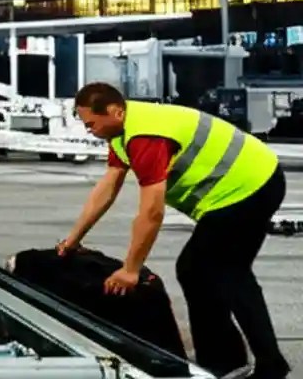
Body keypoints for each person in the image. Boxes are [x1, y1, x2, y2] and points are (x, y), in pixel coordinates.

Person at [60, 82, 288, 379]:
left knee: (217, 271)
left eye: (91, 123)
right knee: (206, 272)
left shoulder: (146, 137)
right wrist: (73, 239)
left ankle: (252, 364)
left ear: (115, 111)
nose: (89, 130)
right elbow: (108, 187)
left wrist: (131, 269)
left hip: (248, 188)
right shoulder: (123, 132)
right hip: (246, 184)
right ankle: (230, 361)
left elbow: (152, 212)